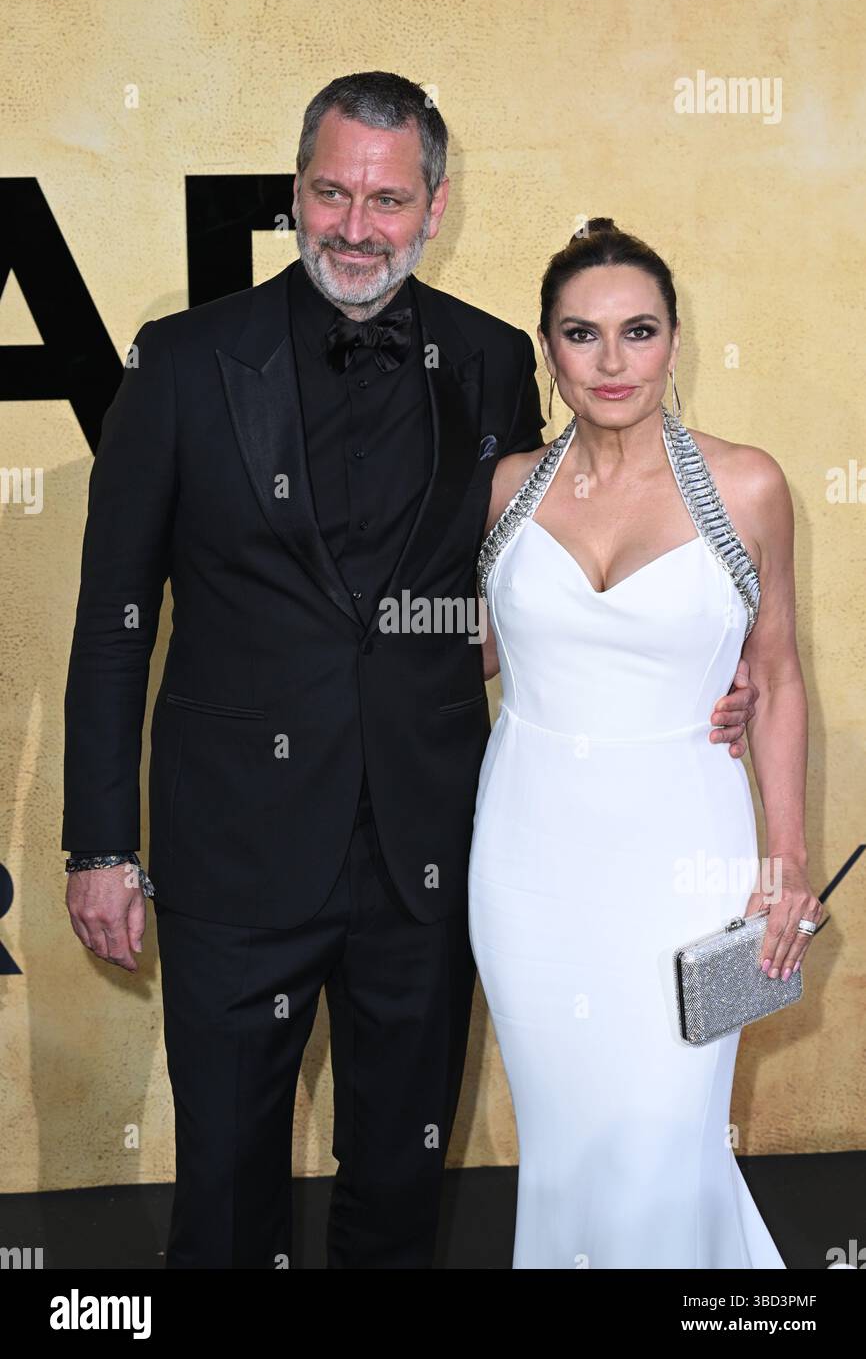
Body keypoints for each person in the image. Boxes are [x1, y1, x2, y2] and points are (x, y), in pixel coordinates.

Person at [62, 75, 759, 1269]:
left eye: (387, 198)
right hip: (232, 849)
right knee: (225, 1191)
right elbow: (116, 618)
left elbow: (523, 594)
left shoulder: (490, 361)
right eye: (331, 192)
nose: (354, 224)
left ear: (432, 206)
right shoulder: (182, 363)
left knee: (399, 1183)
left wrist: (690, 680)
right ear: (295, 194)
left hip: (432, 850)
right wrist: (100, 844)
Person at [468, 217, 819, 1269]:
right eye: (581, 334)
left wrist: (786, 862)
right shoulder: (508, 489)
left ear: (674, 340)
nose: (611, 361)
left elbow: (778, 672)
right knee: (567, 1147)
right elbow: (468, 656)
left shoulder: (744, 486)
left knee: (665, 1139)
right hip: (527, 866)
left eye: (638, 331)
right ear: (547, 347)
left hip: (685, 860)